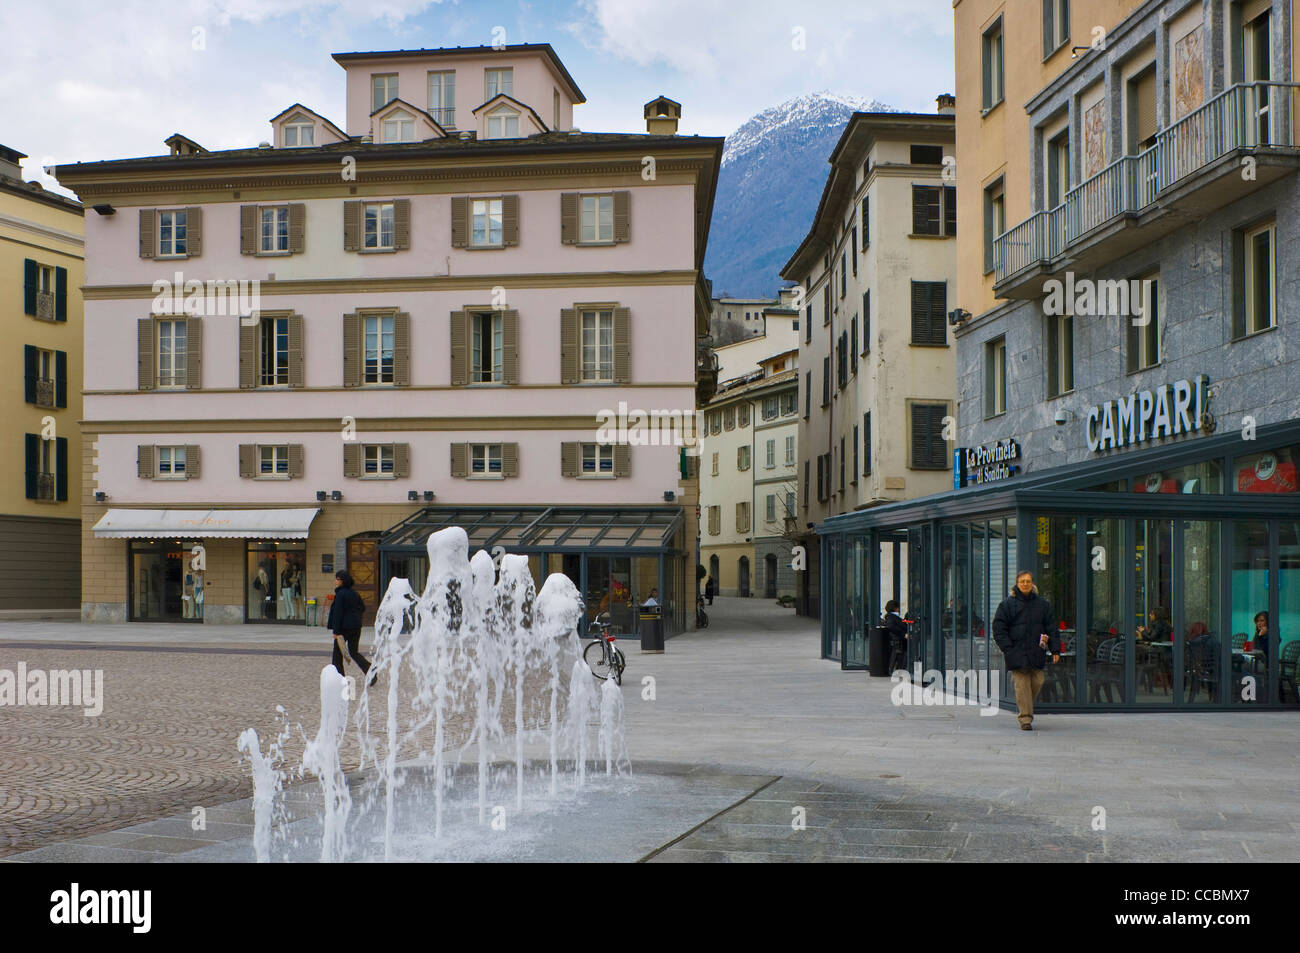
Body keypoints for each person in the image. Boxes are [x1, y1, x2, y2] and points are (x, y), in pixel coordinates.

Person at [992, 570, 1059, 730]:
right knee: (1022, 685)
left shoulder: (1042, 605)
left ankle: (1026, 706)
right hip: (1016, 652)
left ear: (1032, 583)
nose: (1025, 584)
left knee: (1038, 681)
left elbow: (1052, 628)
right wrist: (1008, 648)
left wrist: (1055, 649)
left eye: (1028, 581)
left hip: (1037, 652)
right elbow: (998, 628)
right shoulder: (1007, 605)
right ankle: (1025, 719)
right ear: (1017, 583)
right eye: (1022, 581)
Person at [325, 569, 375, 687]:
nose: (336, 581)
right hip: (356, 627)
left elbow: (338, 614)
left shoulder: (341, 595)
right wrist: (355, 617)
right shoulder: (354, 593)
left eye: (338, 579)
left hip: (343, 629)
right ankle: (370, 670)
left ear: (343, 581)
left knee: (337, 654)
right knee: (354, 652)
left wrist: (336, 631)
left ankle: (339, 678)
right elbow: (362, 608)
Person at [882, 599, 909, 674]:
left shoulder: (893, 616)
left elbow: (903, 621)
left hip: (899, 639)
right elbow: (892, 626)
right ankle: (896, 670)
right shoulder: (891, 617)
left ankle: (897, 670)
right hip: (898, 639)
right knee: (899, 656)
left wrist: (911, 621)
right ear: (895, 608)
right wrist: (903, 634)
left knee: (898, 656)